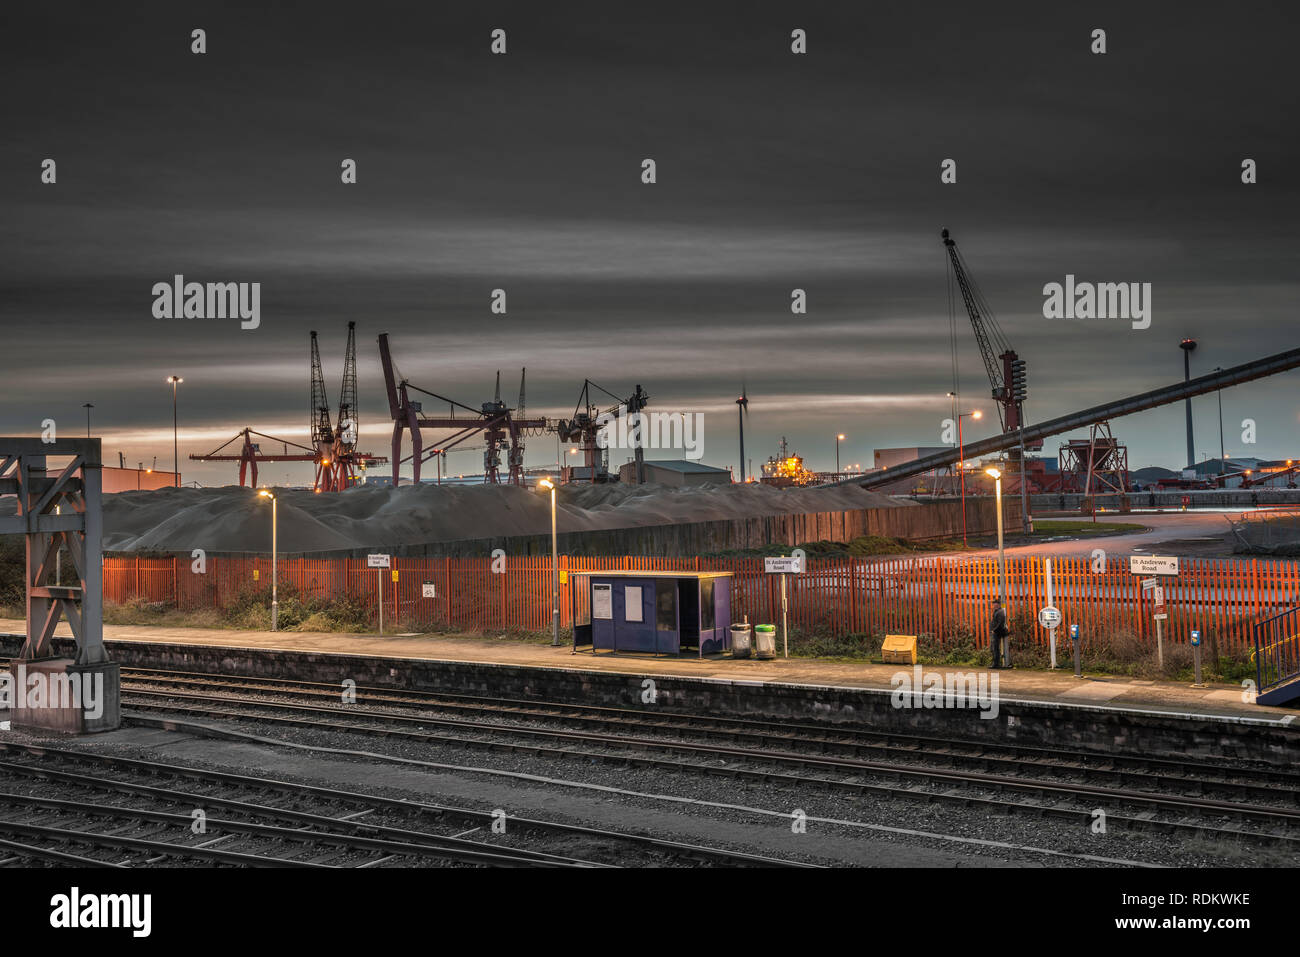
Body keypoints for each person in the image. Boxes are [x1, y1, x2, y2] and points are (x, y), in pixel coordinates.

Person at [989, 599, 1010, 669]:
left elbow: (1000, 623)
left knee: (996, 648)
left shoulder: (1000, 612)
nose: (993, 605)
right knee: (994, 648)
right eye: (993, 604)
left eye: (995, 603)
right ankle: (996, 663)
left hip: (998, 632)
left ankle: (996, 664)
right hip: (996, 632)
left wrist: (994, 630)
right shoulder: (997, 611)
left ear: (998, 604)